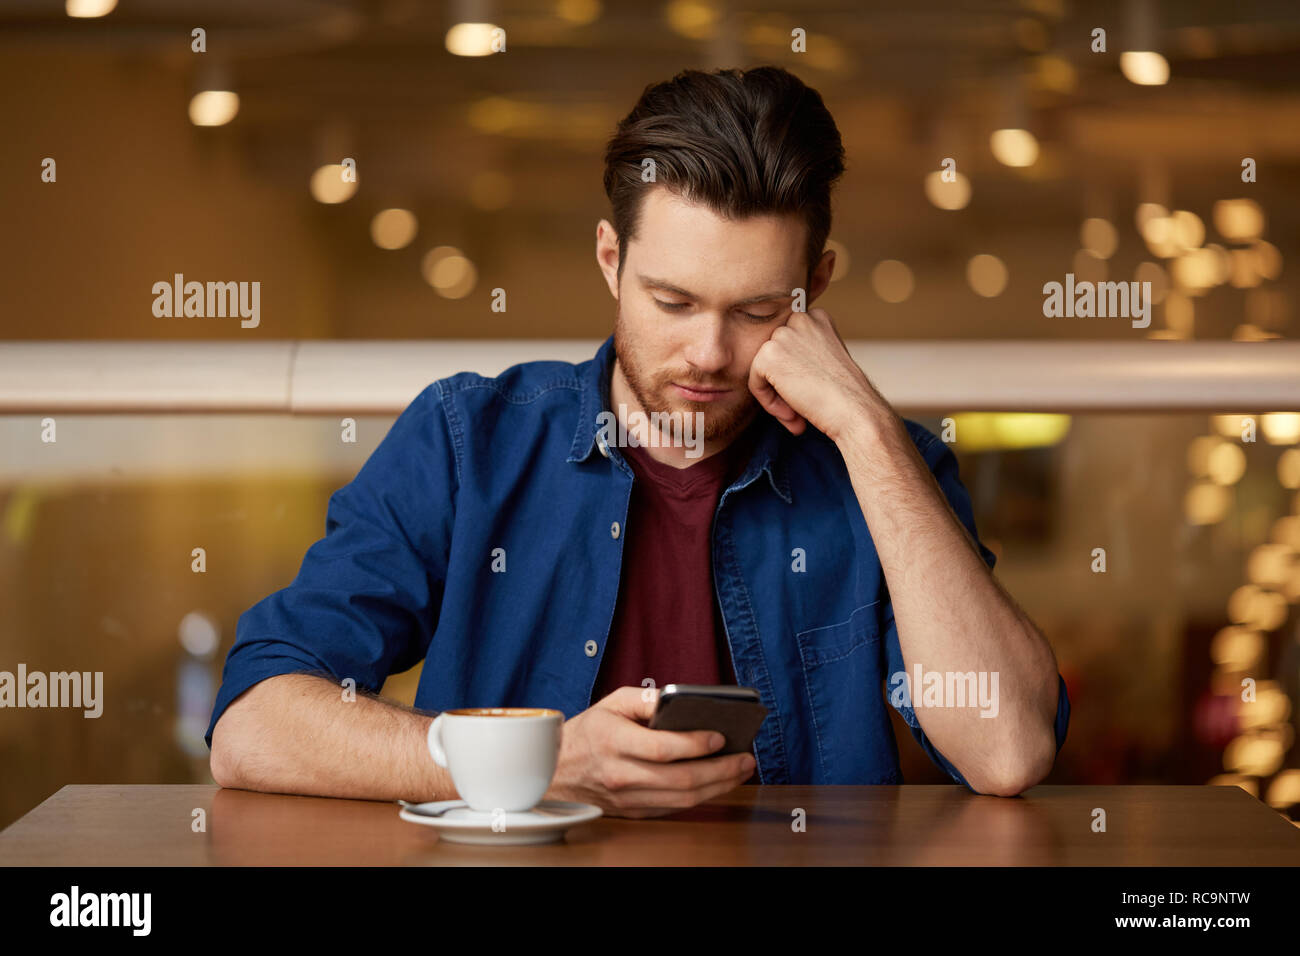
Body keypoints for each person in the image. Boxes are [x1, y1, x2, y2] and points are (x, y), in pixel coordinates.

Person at [208, 65, 1069, 818]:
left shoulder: (880, 467)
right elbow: (253, 726)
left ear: (817, 288)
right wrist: (534, 766)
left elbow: (1009, 751)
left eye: (759, 311)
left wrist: (869, 430)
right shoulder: (468, 442)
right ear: (612, 261)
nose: (709, 352)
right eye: (674, 302)